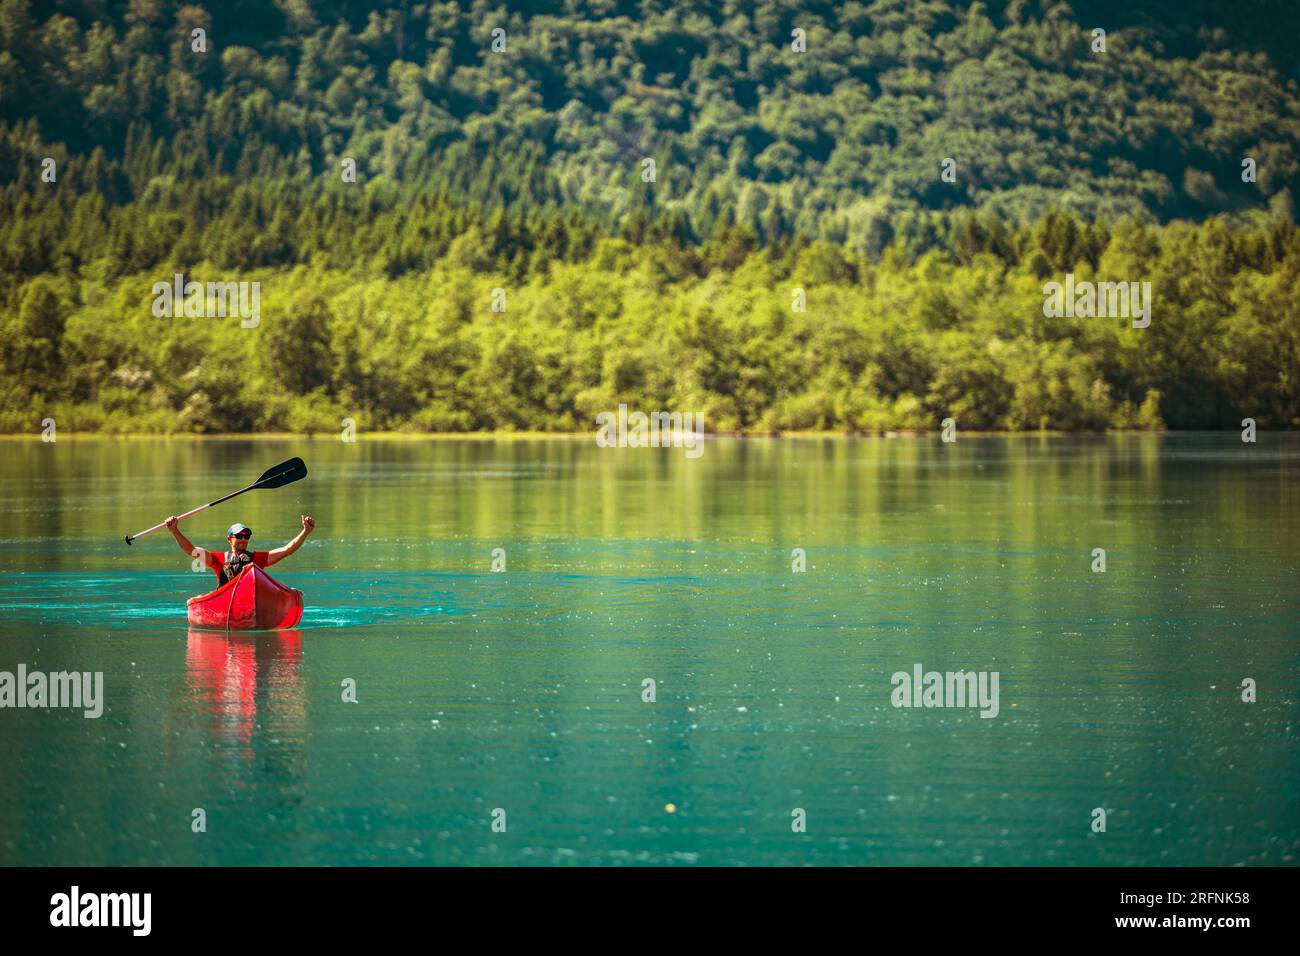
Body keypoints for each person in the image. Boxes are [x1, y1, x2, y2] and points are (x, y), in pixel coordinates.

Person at [166, 515, 315, 586]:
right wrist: (174, 530)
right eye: (239, 536)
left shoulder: (257, 558)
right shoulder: (217, 559)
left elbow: (287, 550)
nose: (244, 539)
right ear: (229, 539)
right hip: (225, 600)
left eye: (247, 535)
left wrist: (306, 531)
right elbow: (191, 550)